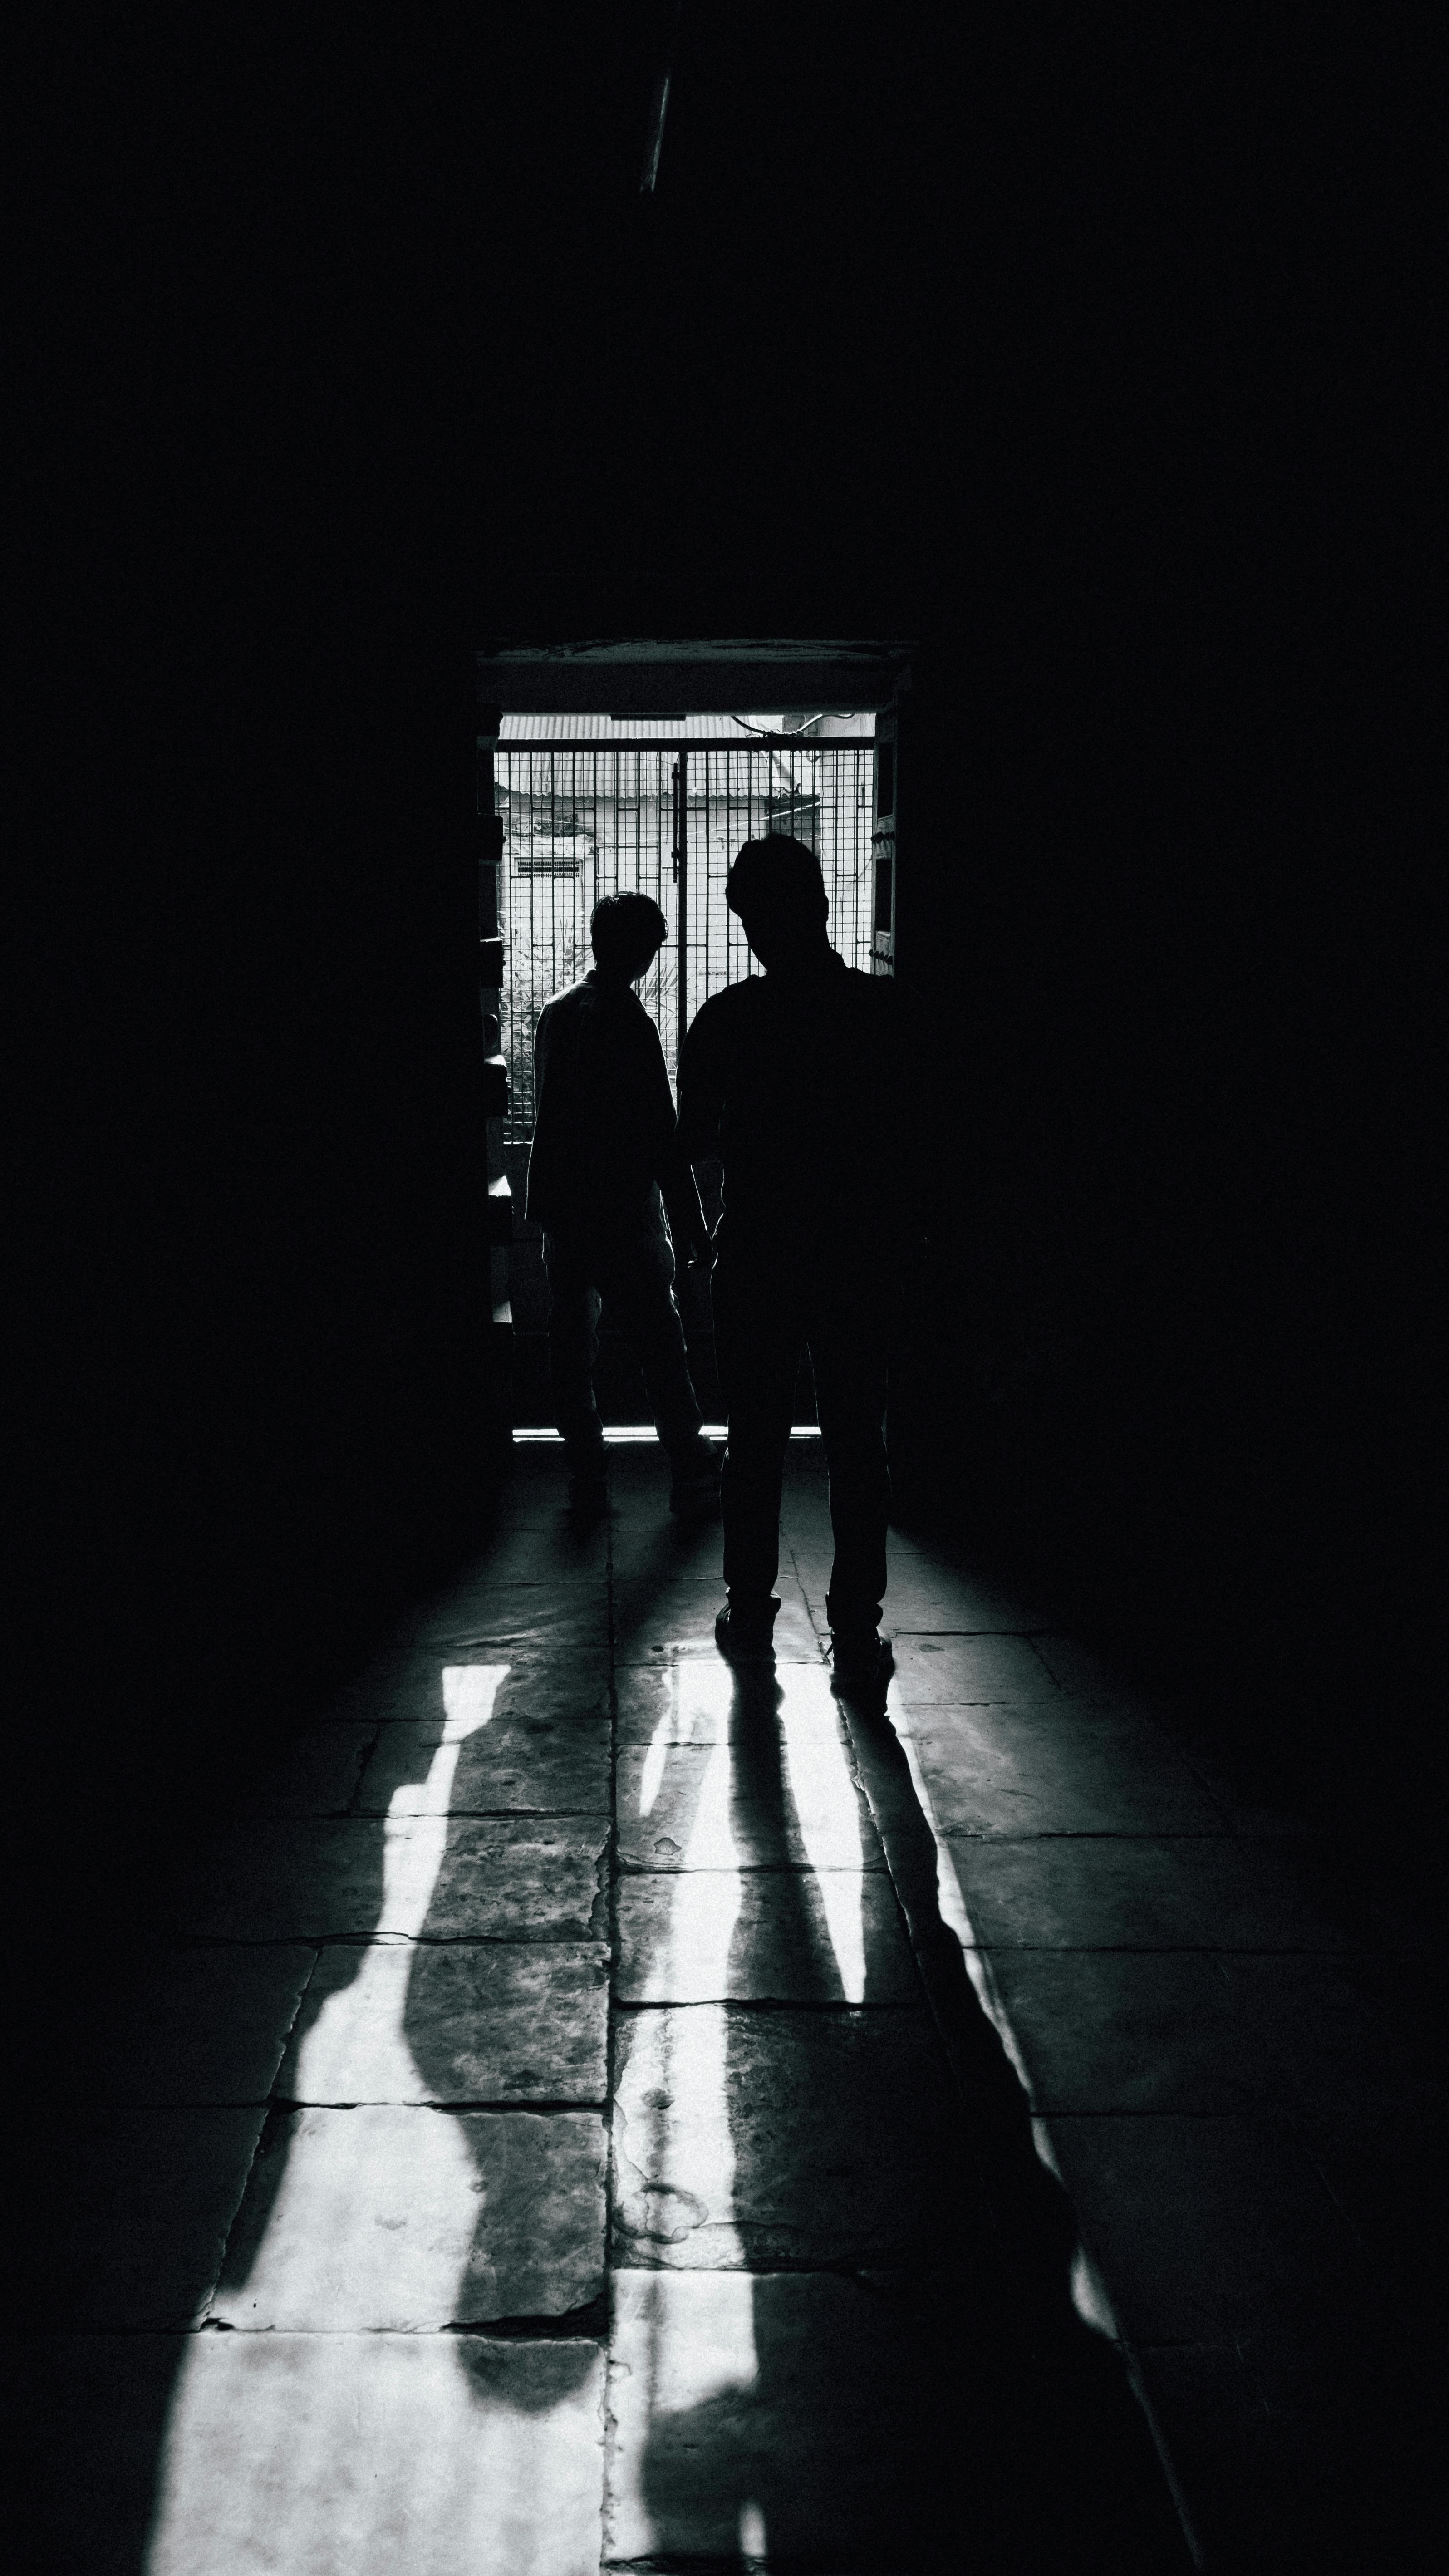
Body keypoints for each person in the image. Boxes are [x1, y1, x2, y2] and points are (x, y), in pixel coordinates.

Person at [677, 833, 924, 1687]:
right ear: (820, 906)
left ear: (749, 919)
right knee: (860, 1443)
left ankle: (751, 1610)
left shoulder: (725, 1020)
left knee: (756, 1443)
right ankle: (856, 1629)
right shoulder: (883, 1013)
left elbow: (694, 1141)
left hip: (759, 1257)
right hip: (858, 1260)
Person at [525, 890, 718, 1515]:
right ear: (638, 947)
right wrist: (691, 1228)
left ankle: (585, 1462)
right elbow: (661, 1138)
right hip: (622, 1215)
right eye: (655, 942)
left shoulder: (556, 1012)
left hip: (564, 1211)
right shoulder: (628, 1022)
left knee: (570, 1340)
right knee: (659, 1341)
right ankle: (688, 1460)